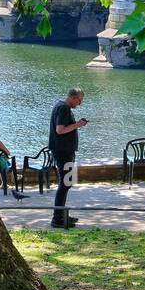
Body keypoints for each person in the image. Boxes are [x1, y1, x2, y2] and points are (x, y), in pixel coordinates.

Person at [48, 87, 88, 228]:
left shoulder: (62, 107)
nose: (80, 103)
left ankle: (62, 214)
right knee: (65, 184)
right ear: (73, 97)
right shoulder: (63, 108)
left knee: (68, 183)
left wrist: (77, 124)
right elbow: (60, 130)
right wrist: (77, 124)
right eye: (79, 100)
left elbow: (64, 127)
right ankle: (57, 219)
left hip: (66, 151)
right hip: (63, 152)